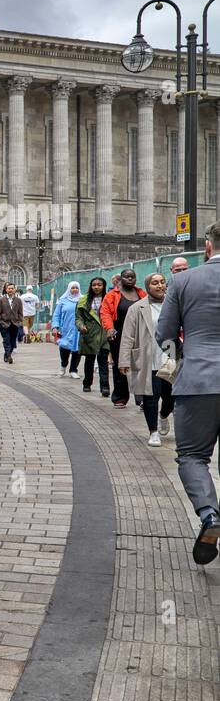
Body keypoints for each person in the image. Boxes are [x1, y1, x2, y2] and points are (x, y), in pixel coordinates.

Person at [155, 223, 220, 564]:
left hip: (198, 381)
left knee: (193, 456)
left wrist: (184, 359)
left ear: (208, 246)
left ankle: (210, 515)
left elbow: (164, 333)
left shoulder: (182, 281)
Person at [120, 272, 178, 448]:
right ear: (147, 287)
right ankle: (153, 431)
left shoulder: (173, 304)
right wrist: (124, 360)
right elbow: (128, 335)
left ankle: (163, 416)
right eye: (155, 283)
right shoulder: (137, 308)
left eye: (162, 282)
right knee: (151, 396)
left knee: (171, 396)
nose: (160, 286)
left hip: (170, 357)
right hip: (148, 358)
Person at [100, 268, 147, 408]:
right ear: (121, 279)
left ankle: (141, 398)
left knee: (140, 365)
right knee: (120, 365)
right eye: (127, 277)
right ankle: (120, 397)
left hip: (139, 333)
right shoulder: (112, 295)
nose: (130, 279)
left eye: (133, 277)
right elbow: (105, 313)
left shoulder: (142, 294)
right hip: (118, 334)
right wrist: (109, 328)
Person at [76, 277, 111, 396]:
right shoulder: (83, 300)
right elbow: (78, 317)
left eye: (99, 285)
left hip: (104, 334)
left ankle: (105, 387)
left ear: (104, 286)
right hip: (89, 334)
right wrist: (81, 326)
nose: (96, 287)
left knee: (103, 362)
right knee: (89, 362)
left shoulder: (109, 298)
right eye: (94, 285)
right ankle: (87, 383)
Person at [52, 281, 82, 378]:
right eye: (72, 288)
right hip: (65, 329)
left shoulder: (82, 300)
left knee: (77, 350)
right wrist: (55, 327)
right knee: (64, 348)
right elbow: (57, 315)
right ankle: (63, 366)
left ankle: (73, 370)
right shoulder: (63, 300)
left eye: (76, 288)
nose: (75, 290)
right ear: (69, 289)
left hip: (79, 330)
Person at [0, 283, 25, 363]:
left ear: (15, 290)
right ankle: (9, 356)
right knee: (6, 340)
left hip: (15, 324)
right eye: (9, 288)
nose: (10, 290)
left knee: (12, 341)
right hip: (4, 324)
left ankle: (7, 355)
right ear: (6, 290)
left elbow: (20, 313)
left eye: (12, 288)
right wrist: (1, 322)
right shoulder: (1, 300)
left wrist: (19, 322)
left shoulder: (18, 300)